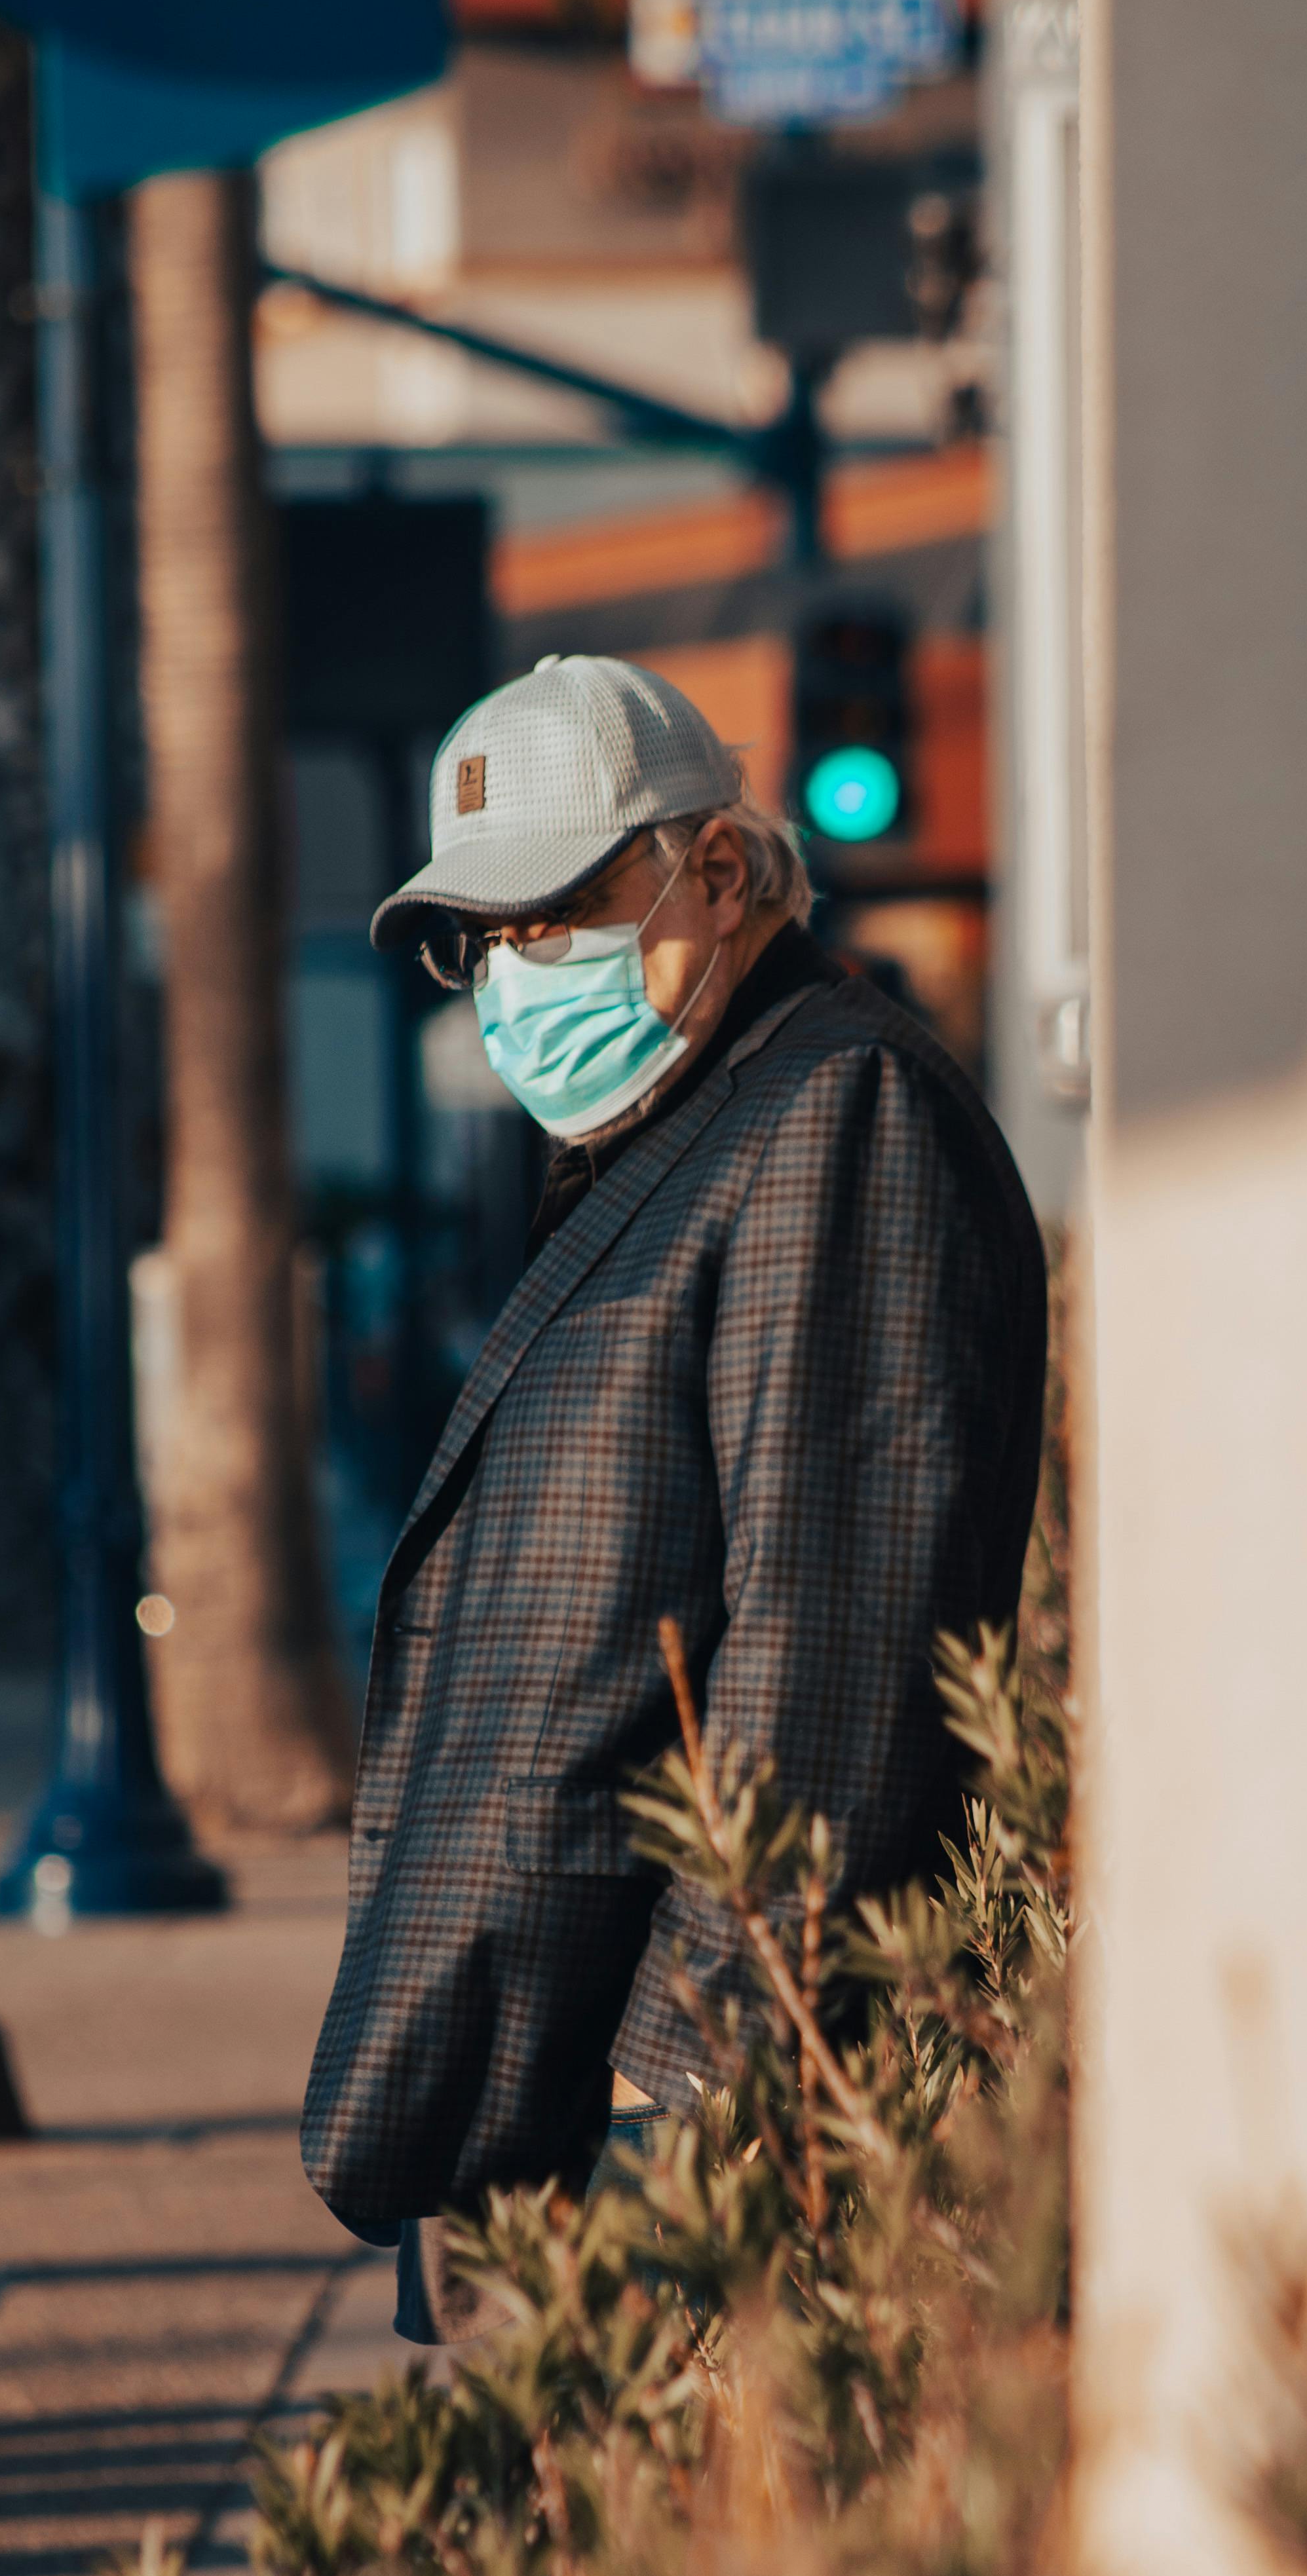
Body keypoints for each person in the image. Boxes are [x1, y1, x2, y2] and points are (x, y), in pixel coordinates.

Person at [299, 651, 1048, 2335]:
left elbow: (832, 1662)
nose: (507, 974)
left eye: (551, 911)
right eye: (474, 936)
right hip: (562, 2094)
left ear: (718, 871)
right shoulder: (692, 1122)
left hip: (673, 2111)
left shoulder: (832, 1114)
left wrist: (690, 2098)